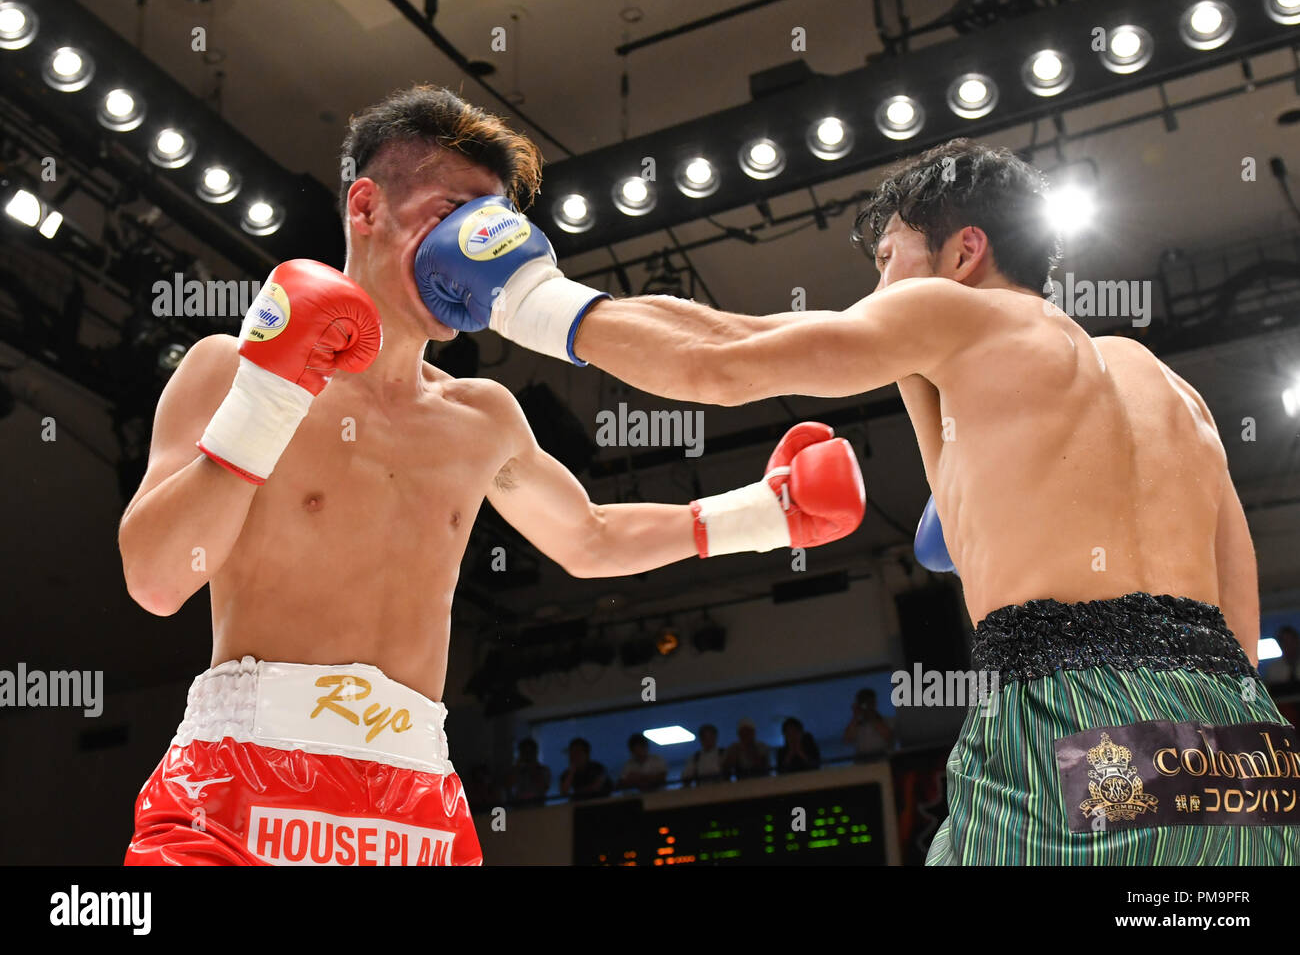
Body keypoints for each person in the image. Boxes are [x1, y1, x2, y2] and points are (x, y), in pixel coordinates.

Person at [425, 136, 1300, 863]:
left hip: (1076, 723)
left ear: (965, 252)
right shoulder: (1170, 389)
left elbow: (726, 358)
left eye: (889, 262)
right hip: (1245, 749)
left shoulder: (959, 319)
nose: (877, 295)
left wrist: (530, 302)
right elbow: (1238, 612)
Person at [117, 85, 865, 866]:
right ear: (366, 208)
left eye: (493, 221)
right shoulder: (229, 370)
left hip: (412, 796)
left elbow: (591, 538)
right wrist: (266, 400)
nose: (476, 241)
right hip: (241, 782)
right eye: (449, 213)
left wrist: (766, 516)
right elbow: (159, 580)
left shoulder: (482, 416)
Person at [842, 688, 894, 760]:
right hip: (862, 762)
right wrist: (855, 717)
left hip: (883, 760)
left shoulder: (887, 721)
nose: (866, 706)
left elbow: (889, 737)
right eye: (863, 703)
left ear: (875, 703)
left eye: (870, 702)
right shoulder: (855, 724)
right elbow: (847, 740)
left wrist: (871, 715)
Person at [506, 738, 552, 807]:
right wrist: (518, 766)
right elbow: (508, 785)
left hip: (537, 807)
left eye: (530, 752)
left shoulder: (544, 770)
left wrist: (533, 768)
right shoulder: (515, 770)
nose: (528, 755)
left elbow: (544, 788)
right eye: (524, 752)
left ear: (535, 753)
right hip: (519, 808)